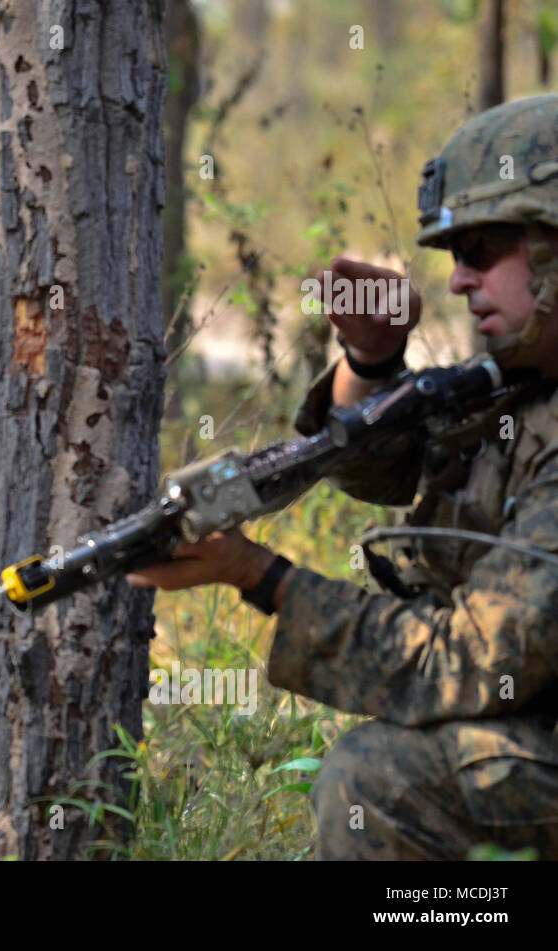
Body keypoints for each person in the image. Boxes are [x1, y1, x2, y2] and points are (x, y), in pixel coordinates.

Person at [126, 94, 558, 860]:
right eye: (451, 254)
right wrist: (371, 361)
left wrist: (261, 577)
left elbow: (468, 661)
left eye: (483, 248)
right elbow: (402, 467)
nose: (457, 281)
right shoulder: (530, 384)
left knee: (378, 781)